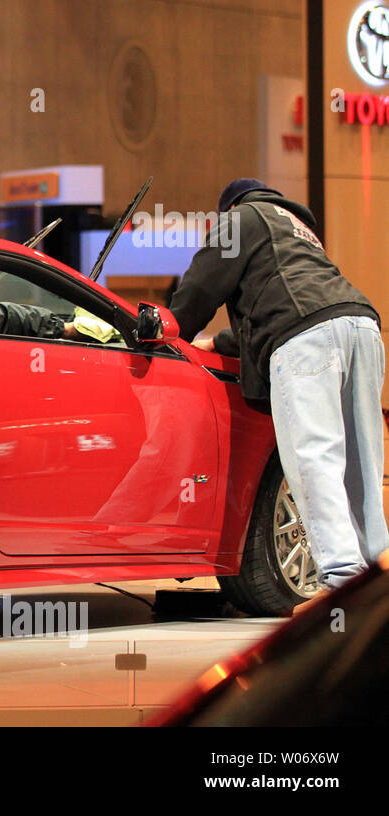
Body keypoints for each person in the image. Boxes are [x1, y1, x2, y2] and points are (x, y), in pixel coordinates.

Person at [169, 178, 386, 608]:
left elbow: (201, 287)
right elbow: (283, 299)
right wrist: (218, 343)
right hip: (361, 326)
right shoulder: (295, 227)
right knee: (361, 463)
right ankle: (376, 585)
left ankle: (342, 585)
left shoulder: (240, 218)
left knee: (314, 458)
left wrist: (173, 330)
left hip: (307, 338)